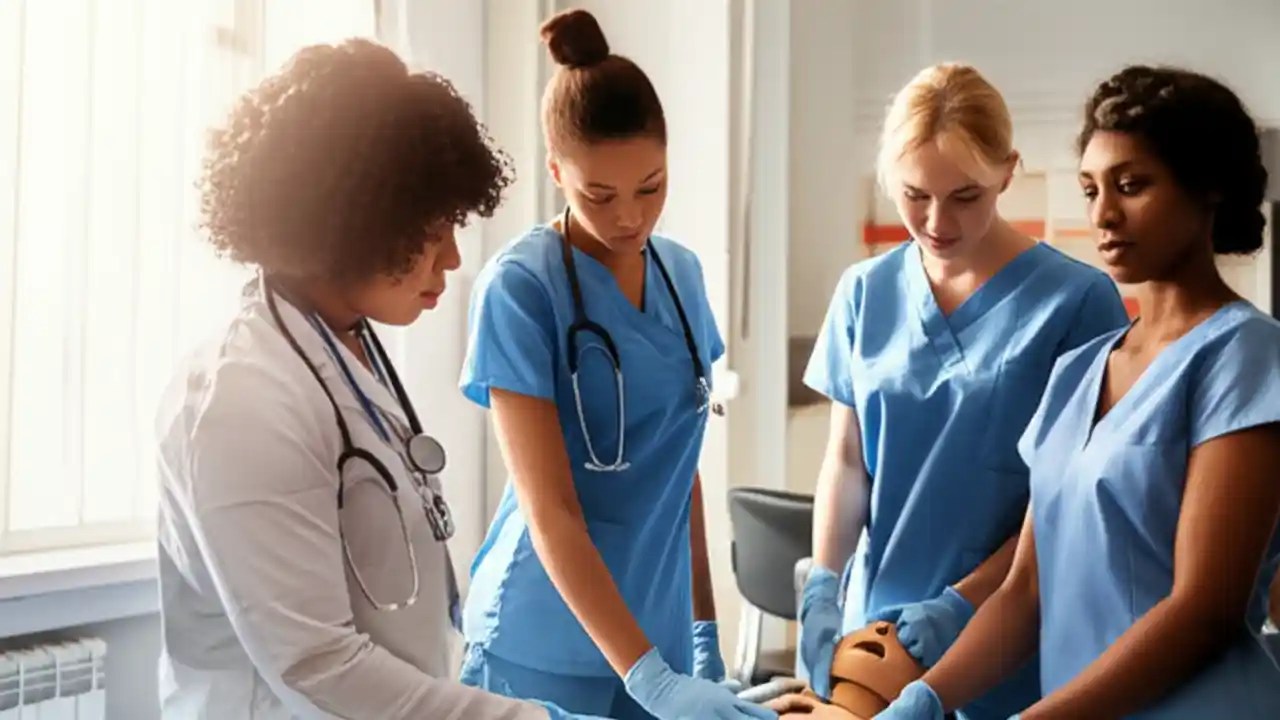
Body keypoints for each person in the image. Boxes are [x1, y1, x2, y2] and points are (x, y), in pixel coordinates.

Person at [155, 38, 601, 720]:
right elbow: (317, 665)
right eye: (435, 228)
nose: (453, 258)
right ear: (356, 220)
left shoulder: (344, 348)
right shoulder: (242, 400)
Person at [876, 65, 1280, 719]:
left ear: (1208, 189)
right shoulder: (1080, 371)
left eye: (1132, 185)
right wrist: (926, 697)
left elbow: (1203, 611)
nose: (1104, 213)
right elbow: (1025, 589)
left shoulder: (1247, 357)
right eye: (1091, 189)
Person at [457, 9, 772, 720]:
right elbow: (551, 512)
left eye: (651, 186)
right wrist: (649, 678)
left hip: (654, 637)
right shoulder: (521, 288)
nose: (631, 217)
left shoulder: (682, 276)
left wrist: (702, 633)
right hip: (543, 642)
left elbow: (676, 463)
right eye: (599, 194)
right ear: (555, 170)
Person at [797, 63, 1131, 720]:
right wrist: (825, 583)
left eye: (966, 196)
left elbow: (1067, 501)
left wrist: (962, 604)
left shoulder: (1078, 302)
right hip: (879, 640)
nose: (936, 222)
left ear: (1008, 172)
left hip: (1010, 636)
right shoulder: (864, 292)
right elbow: (846, 460)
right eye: (914, 194)